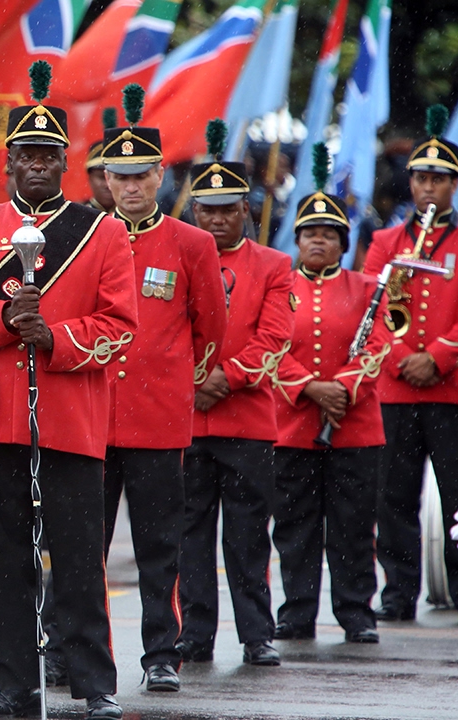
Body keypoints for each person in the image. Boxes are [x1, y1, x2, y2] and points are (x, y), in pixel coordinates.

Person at [0, 61, 133, 720]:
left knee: (80, 553)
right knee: (2, 557)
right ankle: (14, 683)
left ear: (65, 162)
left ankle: (93, 682)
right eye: (27, 156)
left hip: (73, 414)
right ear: (10, 162)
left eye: (50, 156)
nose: (39, 168)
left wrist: (52, 336)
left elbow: (119, 327)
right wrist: (3, 322)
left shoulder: (103, 233)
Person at [99, 84, 226, 693]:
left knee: (159, 548)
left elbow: (210, 327)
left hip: (156, 418)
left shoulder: (192, 243)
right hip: (91, 419)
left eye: (140, 175)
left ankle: (161, 654)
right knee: (81, 548)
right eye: (118, 176)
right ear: (105, 179)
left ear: (160, 176)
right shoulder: (85, 235)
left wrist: (176, 380)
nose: (129, 187)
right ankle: (72, 647)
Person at [362, 105, 458, 625]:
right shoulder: (384, 242)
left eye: (439, 179)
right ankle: (398, 592)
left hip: (452, 388)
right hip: (396, 390)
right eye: (420, 177)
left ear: (455, 185)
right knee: (392, 497)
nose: (427, 188)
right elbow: (372, 311)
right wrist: (401, 360)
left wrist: (435, 359)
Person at [177, 119, 293, 666]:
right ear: (193, 211)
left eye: (228, 209)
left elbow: (275, 338)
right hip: (185, 422)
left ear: (245, 209)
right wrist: (191, 384)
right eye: (207, 210)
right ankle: (195, 635)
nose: (217, 219)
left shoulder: (274, 265)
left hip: (245, 422)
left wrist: (225, 378)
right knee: (189, 537)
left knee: (247, 538)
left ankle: (256, 635)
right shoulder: (175, 258)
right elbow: (162, 334)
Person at [272, 143, 390, 645]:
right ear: (296, 240)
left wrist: (343, 387)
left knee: (353, 527)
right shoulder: (278, 285)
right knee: (295, 528)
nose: (318, 240)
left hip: (355, 426)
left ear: (343, 243)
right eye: (309, 233)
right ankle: (297, 611)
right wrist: (311, 388)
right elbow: (271, 344)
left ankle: (355, 611)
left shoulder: (366, 287)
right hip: (294, 426)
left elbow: (382, 340)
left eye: (328, 234)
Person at [83, 107, 117, 214]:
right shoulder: (76, 216)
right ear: (90, 178)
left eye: (115, 177)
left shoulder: (134, 218)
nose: (107, 185)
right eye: (102, 177)